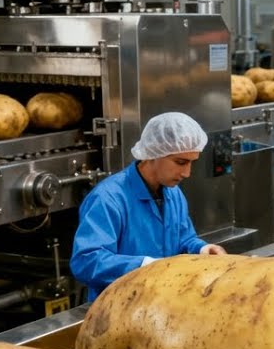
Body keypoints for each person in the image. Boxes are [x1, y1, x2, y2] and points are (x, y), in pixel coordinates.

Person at [71, 112, 227, 301]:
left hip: (159, 303)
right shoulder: (108, 198)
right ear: (154, 153)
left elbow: (184, 239)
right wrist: (146, 266)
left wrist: (202, 249)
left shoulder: (173, 193)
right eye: (180, 162)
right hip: (117, 307)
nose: (187, 173)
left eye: (191, 163)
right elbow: (86, 262)